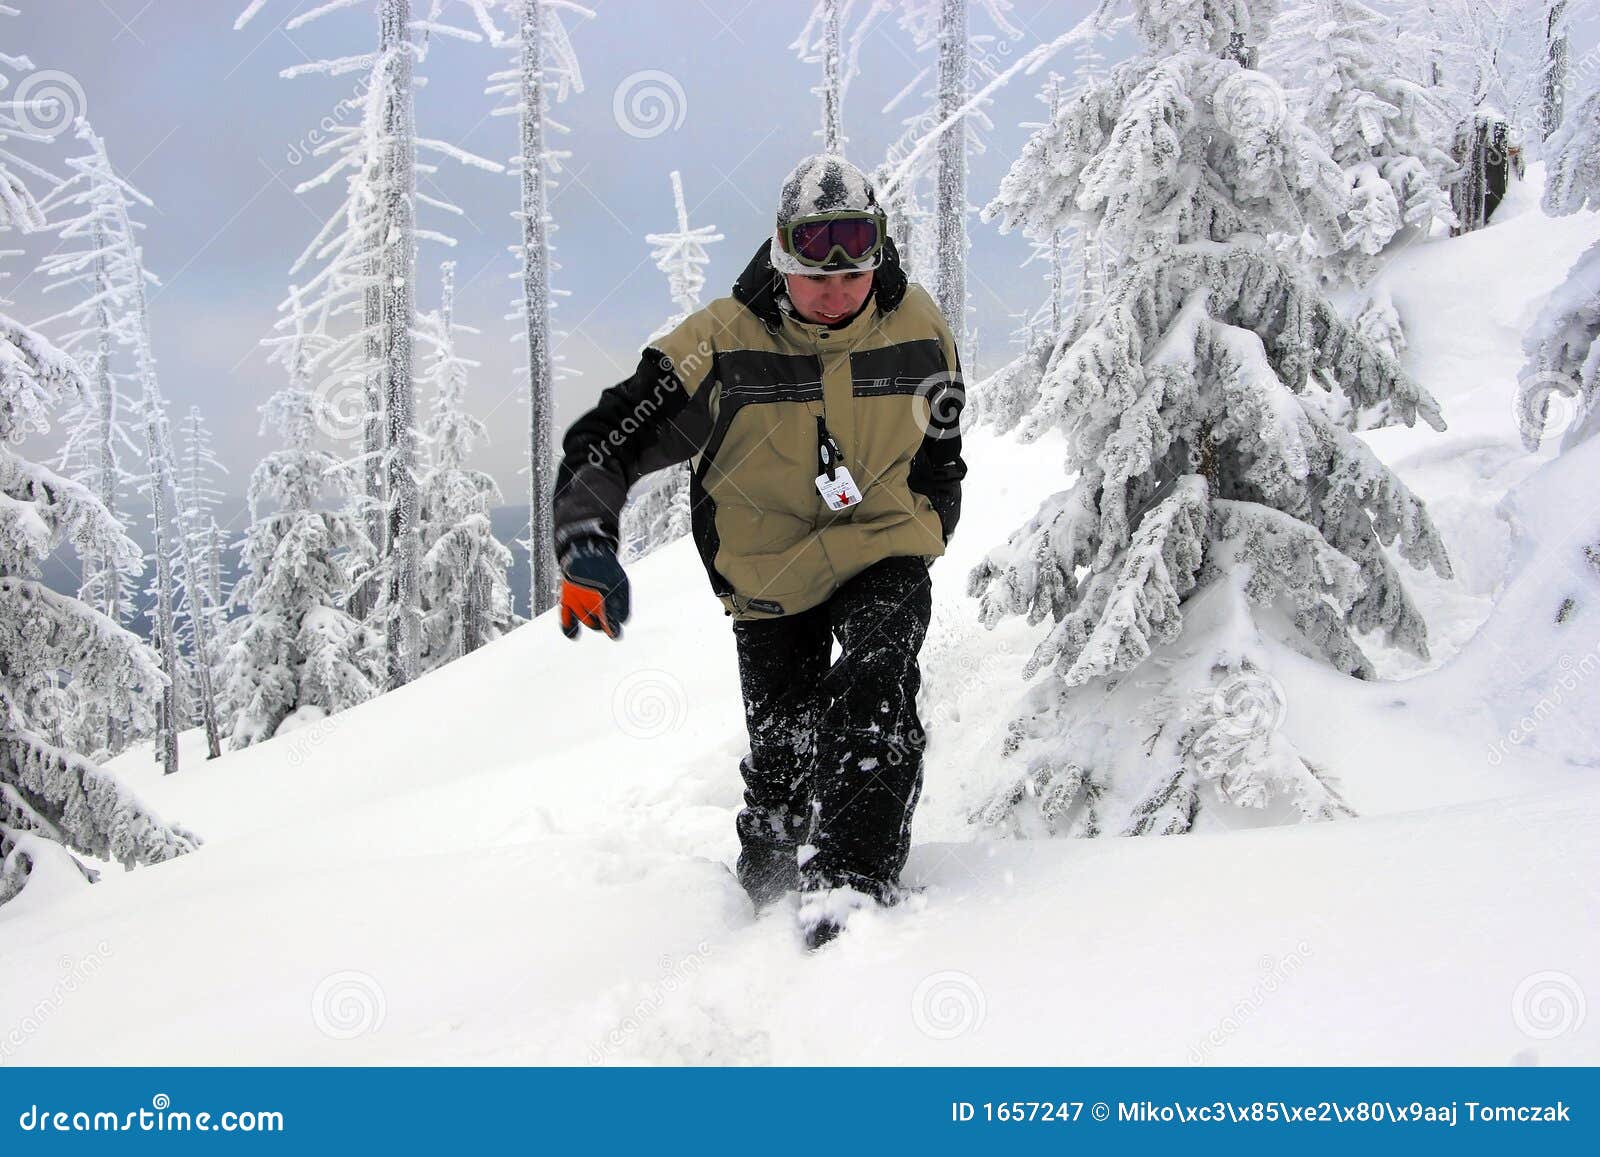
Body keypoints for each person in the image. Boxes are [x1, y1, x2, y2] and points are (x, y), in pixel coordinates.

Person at [550, 154, 967, 949]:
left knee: (876, 682)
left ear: (877, 255)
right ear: (782, 255)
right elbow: (606, 441)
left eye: (854, 271)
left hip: (882, 542)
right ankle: (766, 890)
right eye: (816, 273)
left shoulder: (918, 325)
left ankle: (851, 893)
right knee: (784, 752)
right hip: (769, 566)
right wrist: (585, 540)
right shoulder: (720, 345)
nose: (836, 292)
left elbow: (942, 435)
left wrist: (937, 511)